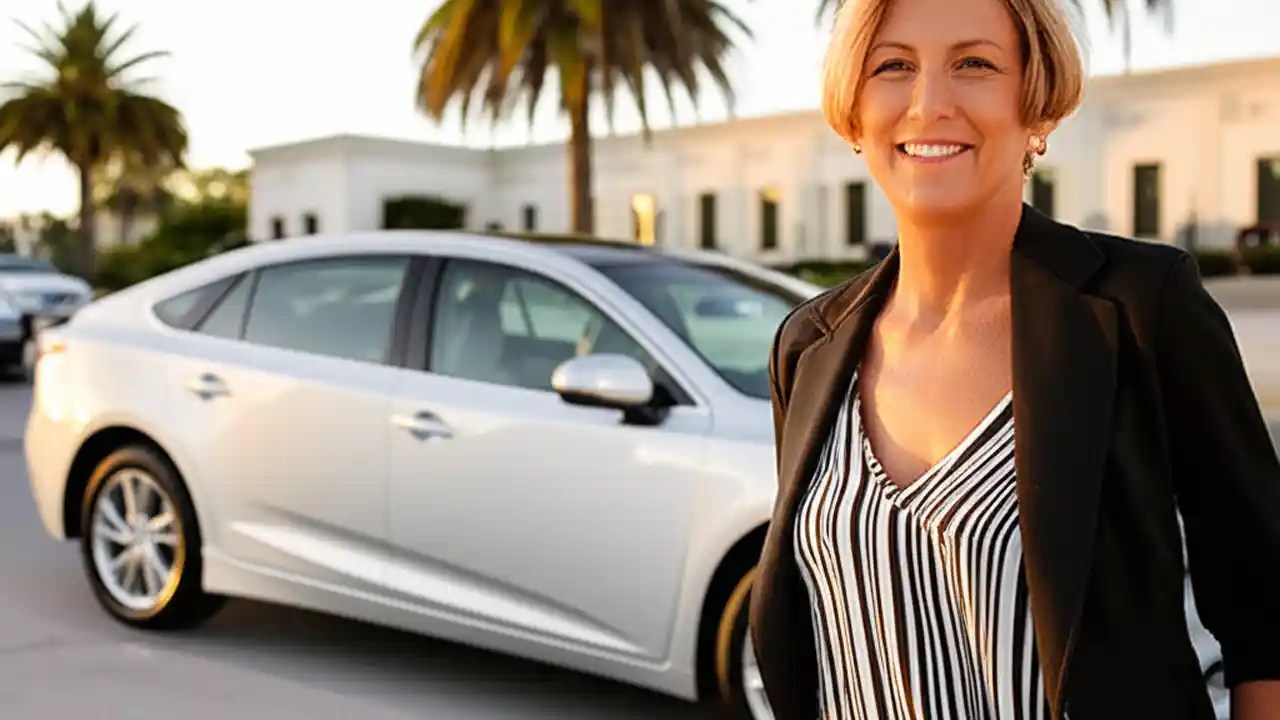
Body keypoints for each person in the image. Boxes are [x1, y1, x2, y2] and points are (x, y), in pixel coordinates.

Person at [747, 0, 1280, 717]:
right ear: (853, 111)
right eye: (893, 65)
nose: (930, 102)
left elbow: (1263, 604)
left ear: (1037, 105)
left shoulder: (1141, 308)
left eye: (975, 64)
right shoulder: (808, 347)